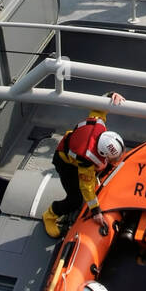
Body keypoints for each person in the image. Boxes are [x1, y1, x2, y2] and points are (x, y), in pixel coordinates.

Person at [42, 93, 125, 238]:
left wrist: (112, 95)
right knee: (75, 199)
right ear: (101, 151)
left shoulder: (97, 123)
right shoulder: (87, 161)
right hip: (65, 163)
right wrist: (95, 211)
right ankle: (50, 215)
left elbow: (99, 106)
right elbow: (86, 187)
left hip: (75, 153)